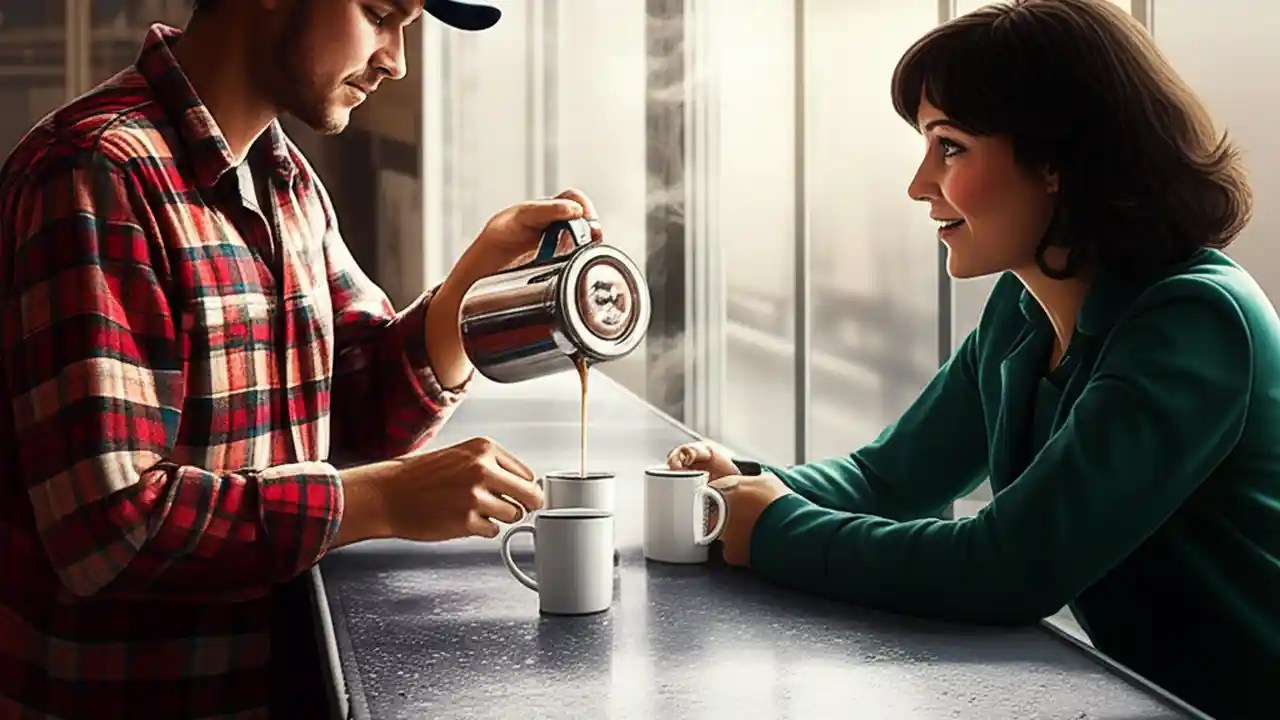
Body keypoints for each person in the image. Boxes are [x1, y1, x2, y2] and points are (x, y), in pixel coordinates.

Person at [668, 1, 1277, 718]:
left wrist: (770, 529)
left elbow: (1009, 568)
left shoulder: (1194, 322)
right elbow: (887, 479)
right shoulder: (1022, 310)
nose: (920, 182)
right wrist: (743, 485)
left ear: (1057, 162)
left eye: (949, 146)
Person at [0, 1, 598, 717]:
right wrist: (379, 499)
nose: (395, 60)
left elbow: (356, 410)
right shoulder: (93, 173)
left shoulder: (286, 180)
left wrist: (472, 281)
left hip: (277, 681)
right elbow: (111, 528)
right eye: (380, 13)